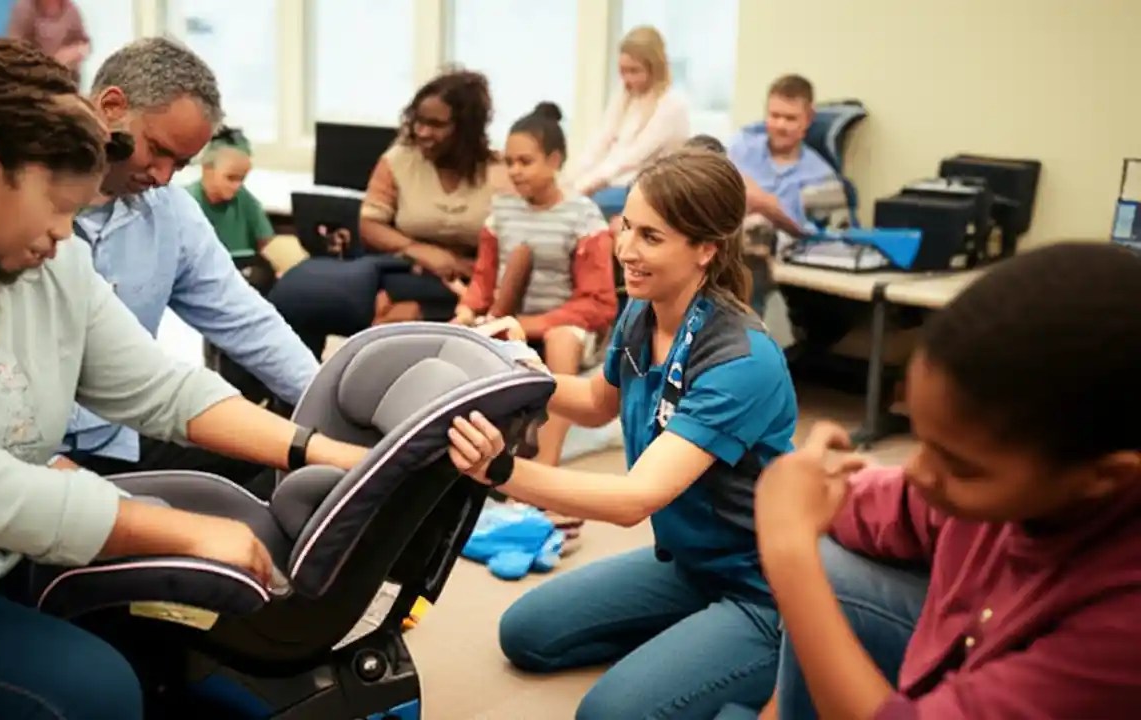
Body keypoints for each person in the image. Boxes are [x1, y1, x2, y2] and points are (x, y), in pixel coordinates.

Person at [0, 5, 493, 718]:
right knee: (97, 690)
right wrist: (186, 529)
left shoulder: (49, 263)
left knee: (186, 671)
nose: (69, 236)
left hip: (2, 551)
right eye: (57, 209)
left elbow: (163, 389)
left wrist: (337, 454)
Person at [449, 147, 799, 719]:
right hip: (689, 564)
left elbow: (634, 501)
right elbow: (593, 403)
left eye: (652, 238)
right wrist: (518, 368)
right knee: (526, 635)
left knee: (606, 715)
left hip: (765, 591)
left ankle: (775, 674)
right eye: (628, 227)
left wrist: (502, 469)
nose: (626, 250)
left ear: (706, 249)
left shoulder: (743, 360)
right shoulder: (644, 310)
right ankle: (697, 644)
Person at [749, 243, 1141, 720]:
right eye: (920, 438)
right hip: (964, 654)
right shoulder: (1007, 484)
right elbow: (877, 504)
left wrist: (789, 553)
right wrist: (814, 487)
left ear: (1105, 476)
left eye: (959, 465)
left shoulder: (1122, 630)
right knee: (830, 559)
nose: (916, 471)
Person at [59, 38, 320, 495]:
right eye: (156, 151)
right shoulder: (25, 213)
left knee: (297, 461)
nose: (161, 176)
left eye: (178, 164)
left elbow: (247, 320)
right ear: (112, 107)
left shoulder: (169, 212)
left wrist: (326, 407)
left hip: (118, 436)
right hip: (27, 449)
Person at [268, 69, 509, 357]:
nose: (422, 132)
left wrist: (464, 264)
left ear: (467, 127)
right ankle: (294, 390)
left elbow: (514, 240)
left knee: (406, 314)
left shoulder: (501, 172)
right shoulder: (399, 160)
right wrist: (417, 249)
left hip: (471, 283)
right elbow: (369, 224)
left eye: (436, 124)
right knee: (304, 296)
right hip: (405, 270)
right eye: (418, 121)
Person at [453, 101, 617, 468]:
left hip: (570, 328)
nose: (514, 171)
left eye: (525, 162)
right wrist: (465, 312)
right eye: (509, 162)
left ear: (555, 161)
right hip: (510, 319)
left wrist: (532, 325)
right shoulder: (502, 211)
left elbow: (600, 302)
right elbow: (483, 280)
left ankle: (546, 465)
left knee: (561, 338)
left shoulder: (582, 215)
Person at [569, 25, 691, 219]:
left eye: (634, 71)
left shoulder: (672, 105)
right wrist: (571, 180)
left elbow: (632, 158)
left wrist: (583, 188)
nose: (627, 79)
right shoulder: (625, 96)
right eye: (623, 71)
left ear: (655, 68)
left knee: (583, 208)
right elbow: (601, 140)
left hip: (648, 190)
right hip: (612, 184)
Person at [727, 74, 835, 235]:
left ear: (808, 118)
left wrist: (767, 207)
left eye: (790, 118)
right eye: (774, 116)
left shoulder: (821, 177)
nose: (780, 125)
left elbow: (823, 239)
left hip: (784, 254)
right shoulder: (740, 149)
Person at [187, 124, 277, 293]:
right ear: (207, 170)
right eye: (231, 178)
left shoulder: (244, 199)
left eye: (242, 179)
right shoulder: (187, 203)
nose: (237, 186)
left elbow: (267, 242)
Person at [6, 0, 90, 85]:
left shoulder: (70, 9)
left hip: (67, 79)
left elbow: (84, 44)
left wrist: (69, 53)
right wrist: (49, 62)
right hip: (34, 79)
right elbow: (14, 48)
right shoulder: (24, 8)